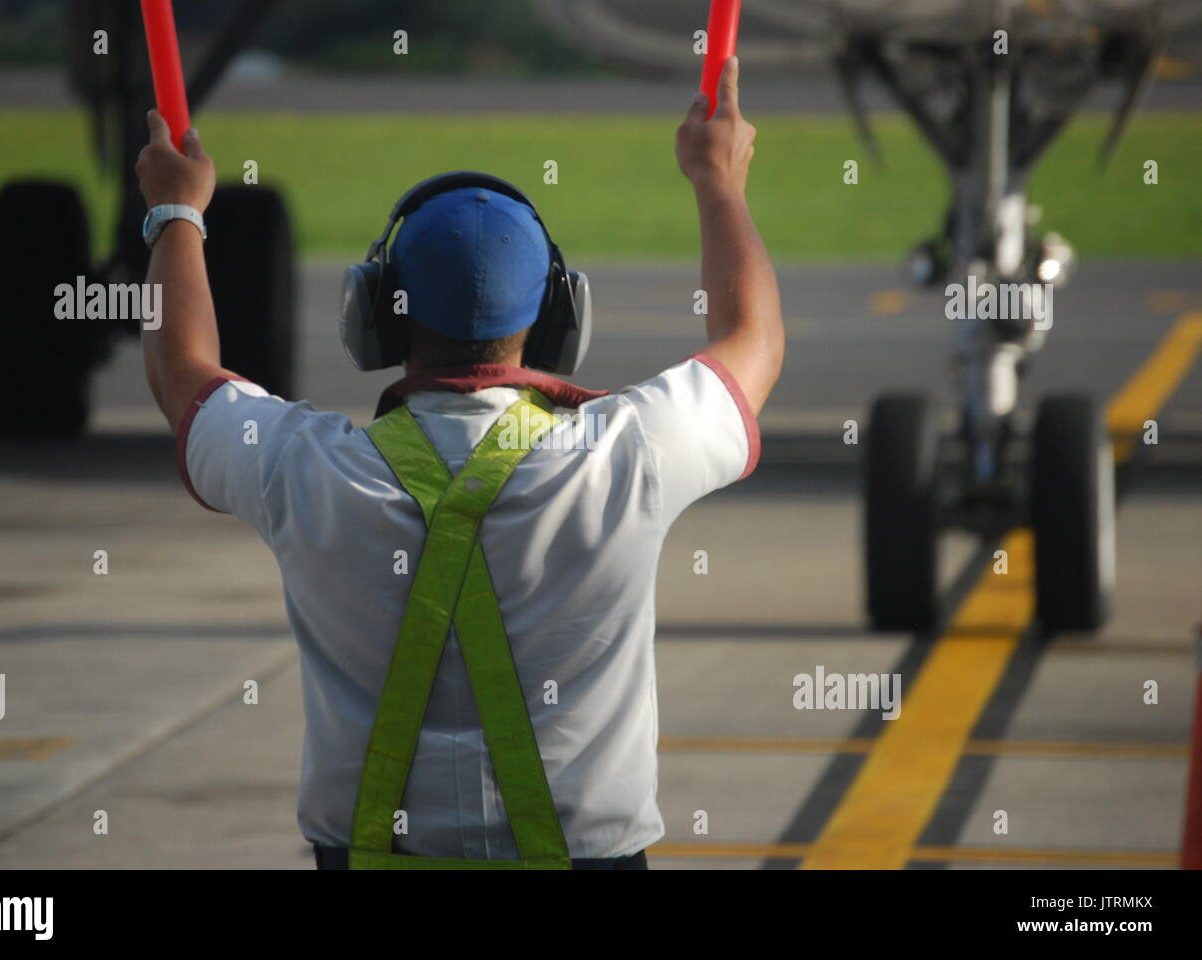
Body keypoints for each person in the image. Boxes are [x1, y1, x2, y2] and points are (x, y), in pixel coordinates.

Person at [134, 57, 782, 870]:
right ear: (561, 318)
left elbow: (183, 374)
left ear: (373, 313)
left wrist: (177, 212)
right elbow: (754, 341)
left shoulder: (303, 469)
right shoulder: (630, 455)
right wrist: (718, 181)